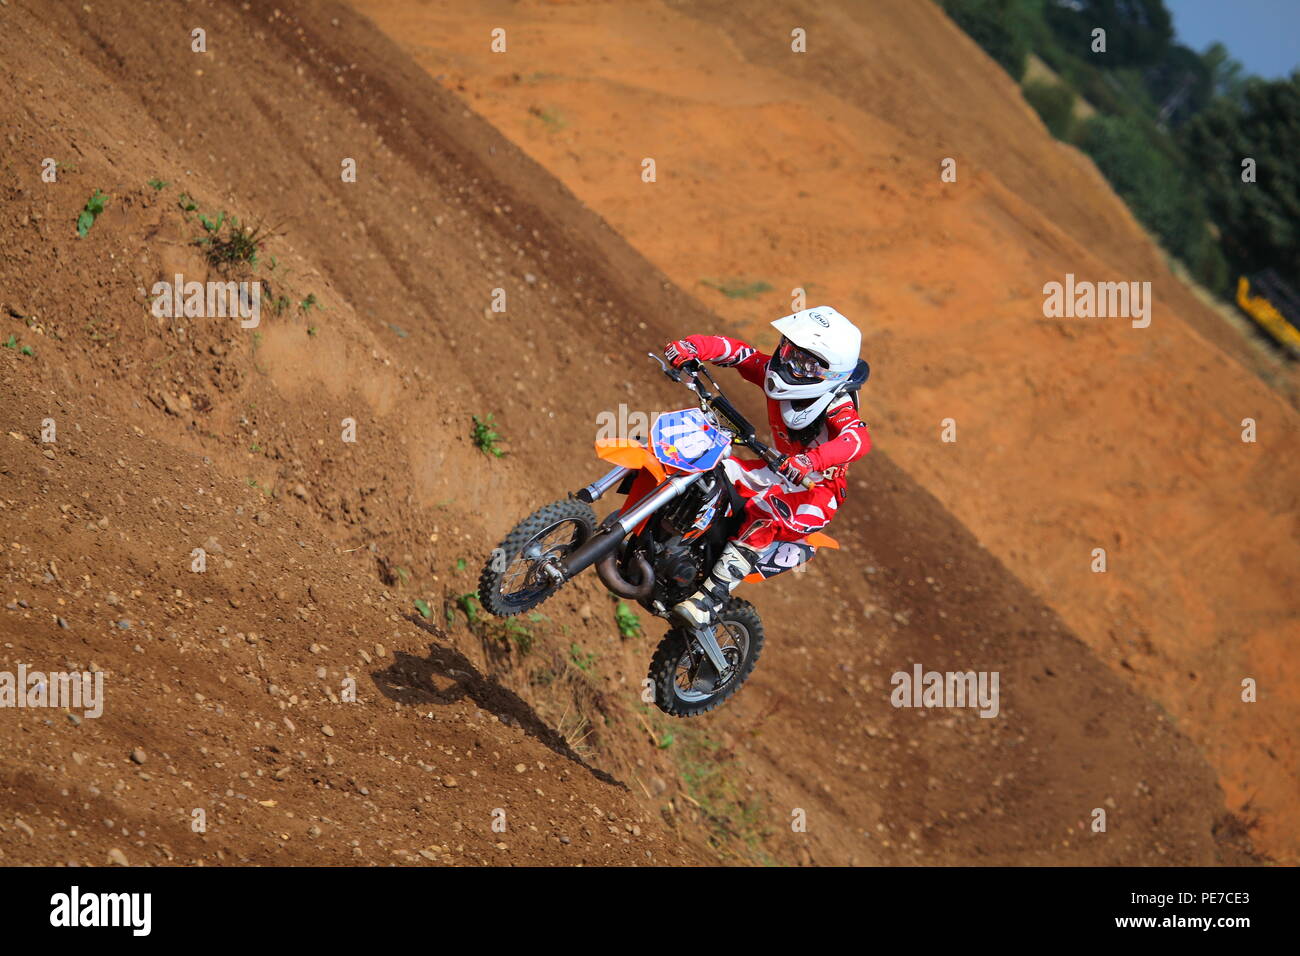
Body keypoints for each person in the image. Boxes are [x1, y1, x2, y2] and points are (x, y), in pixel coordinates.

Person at [663, 306, 871, 629]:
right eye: (789, 351)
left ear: (831, 373)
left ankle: (710, 599)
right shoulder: (780, 375)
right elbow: (740, 354)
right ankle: (672, 541)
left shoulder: (837, 405)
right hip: (776, 468)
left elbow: (858, 440)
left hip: (816, 493)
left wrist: (810, 461)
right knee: (708, 467)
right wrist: (695, 346)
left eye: (804, 362)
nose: (788, 364)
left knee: (765, 510)